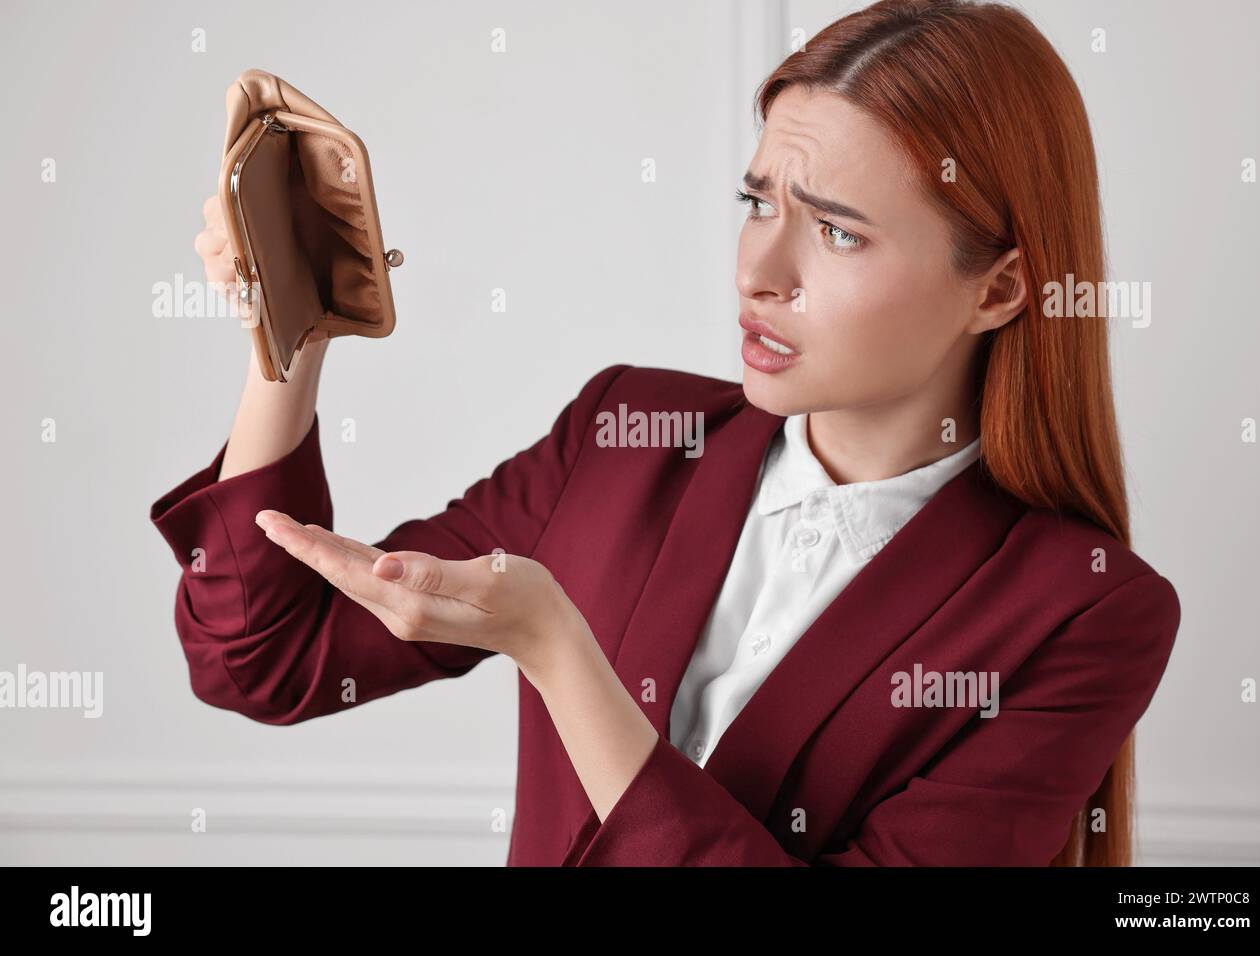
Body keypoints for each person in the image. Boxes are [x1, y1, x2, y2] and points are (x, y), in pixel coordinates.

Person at [152, 0, 1180, 866]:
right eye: (757, 201)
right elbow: (264, 658)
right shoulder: (629, 433)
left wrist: (558, 652)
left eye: (835, 230)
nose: (757, 271)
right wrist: (287, 336)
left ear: (997, 287)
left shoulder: (1083, 611)